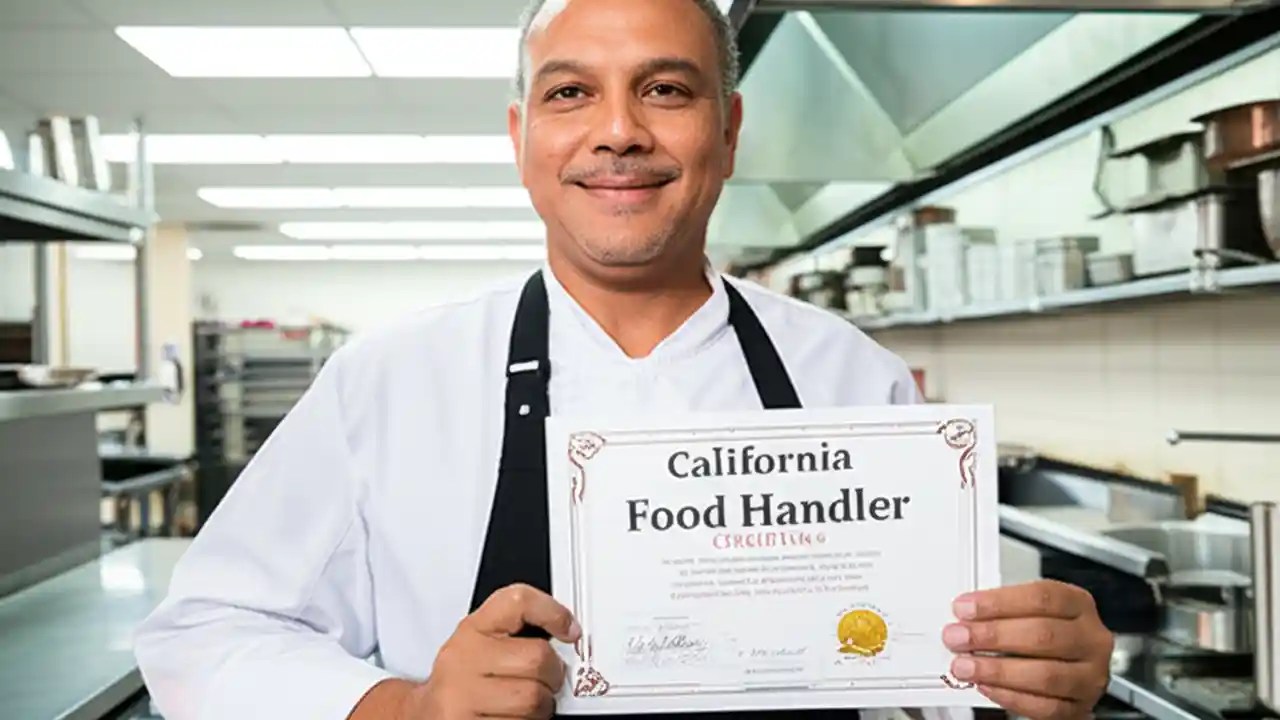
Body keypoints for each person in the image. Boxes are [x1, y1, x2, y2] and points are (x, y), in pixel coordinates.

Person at [133, 0, 1115, 718]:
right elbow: (202, 636)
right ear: (523, 140)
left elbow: (929, 673)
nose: (617, 131)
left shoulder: (850, 376)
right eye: (571, 92)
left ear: (726, 133)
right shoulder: (389, 379)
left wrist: (1026, 673)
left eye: (664, 89)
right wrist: (407, 706)